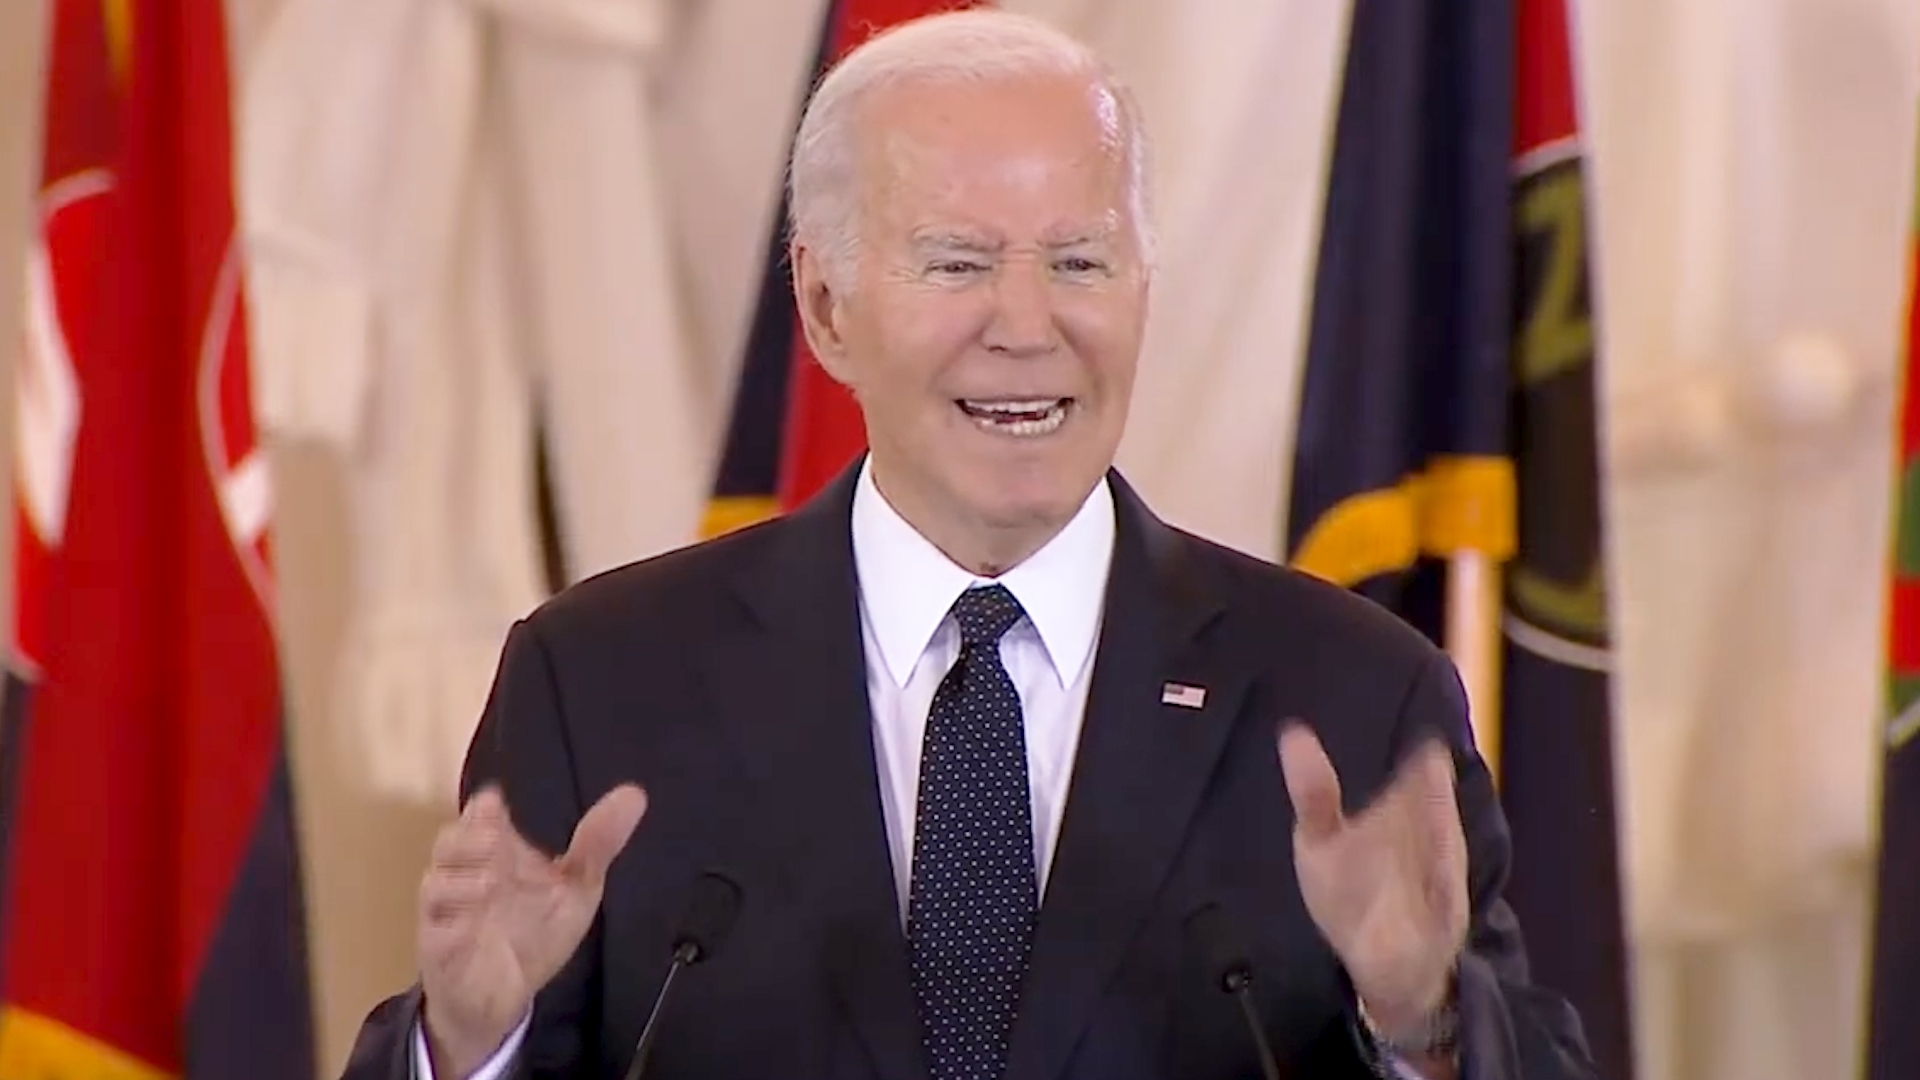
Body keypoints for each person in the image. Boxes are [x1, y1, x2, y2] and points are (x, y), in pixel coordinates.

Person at [337, 10, 1597, 1080]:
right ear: (825, 306)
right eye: (958, 263)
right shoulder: (601, 680)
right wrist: (470, 1042)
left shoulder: (1354, 693)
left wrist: (1423, 1018)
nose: (1027, 325)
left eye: (1081, 261)